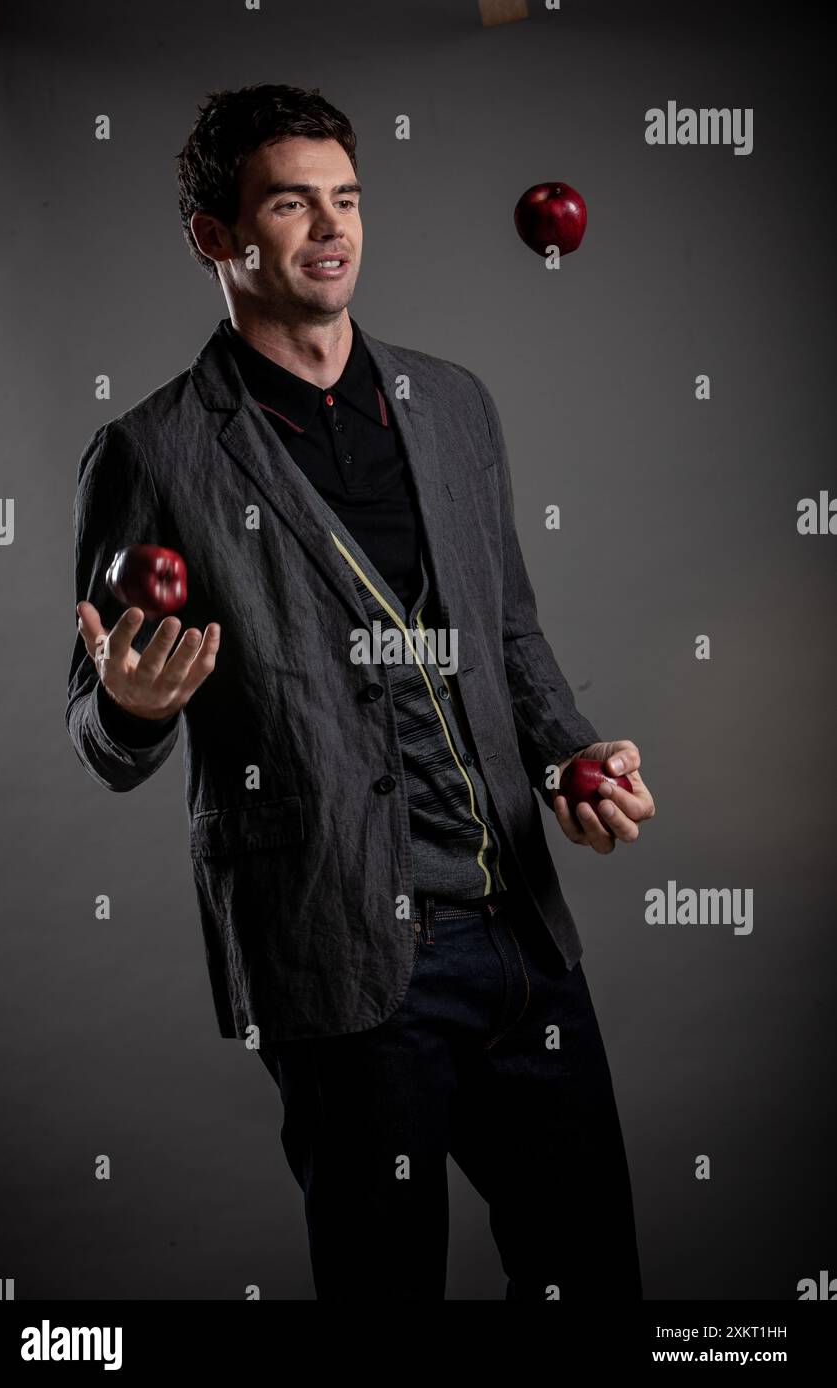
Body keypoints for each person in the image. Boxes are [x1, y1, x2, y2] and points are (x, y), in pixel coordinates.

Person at [66, 83, 655, 1301]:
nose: (331, 227)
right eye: (291, 202)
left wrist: (565, 763)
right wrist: (131, 705)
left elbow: (511, 637)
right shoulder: (151, 453)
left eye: (344, 198)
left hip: (519, 937)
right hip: (340, 952)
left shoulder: (452, 406)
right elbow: (98, 728)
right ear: (214, 238)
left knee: (590, 1268)